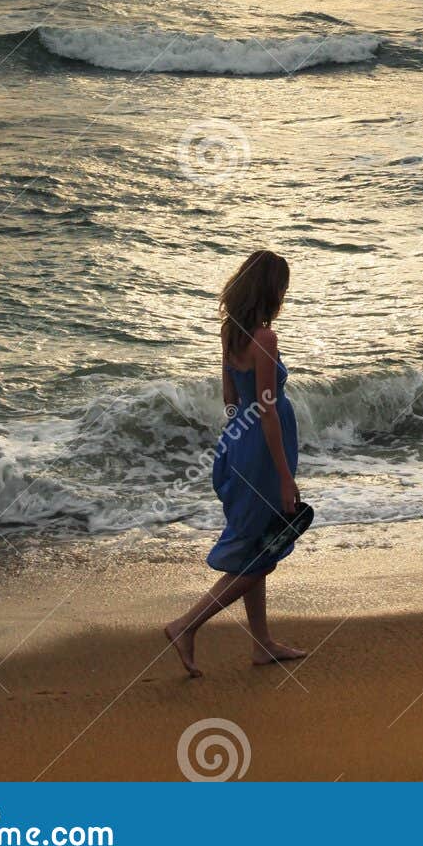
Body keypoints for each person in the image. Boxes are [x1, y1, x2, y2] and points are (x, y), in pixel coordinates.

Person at [164, 249, 308, 676]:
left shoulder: (232, 331)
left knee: (255, 544)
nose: (284, 295)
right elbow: (266, 408)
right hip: (262, 452)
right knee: (263, 553)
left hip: (238, 444)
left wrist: (234, 437)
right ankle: (185, 625)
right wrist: (284, 477)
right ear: (271, 290)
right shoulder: (264, 339)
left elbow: (232, 400)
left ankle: (262, 644)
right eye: (282, 287)